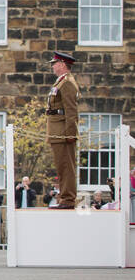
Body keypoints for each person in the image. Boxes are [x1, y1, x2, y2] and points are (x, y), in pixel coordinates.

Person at [45, 51, 80, 209]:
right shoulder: (61, 82)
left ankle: (68, 199)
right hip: (57, 131)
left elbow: (71, 111)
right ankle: (63, 197)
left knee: (66, 166)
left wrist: (71, 134)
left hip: (63, 132)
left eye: (55, 63)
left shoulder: (67, 83)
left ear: (62, 65)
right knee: (62, 167)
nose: (53, 66)